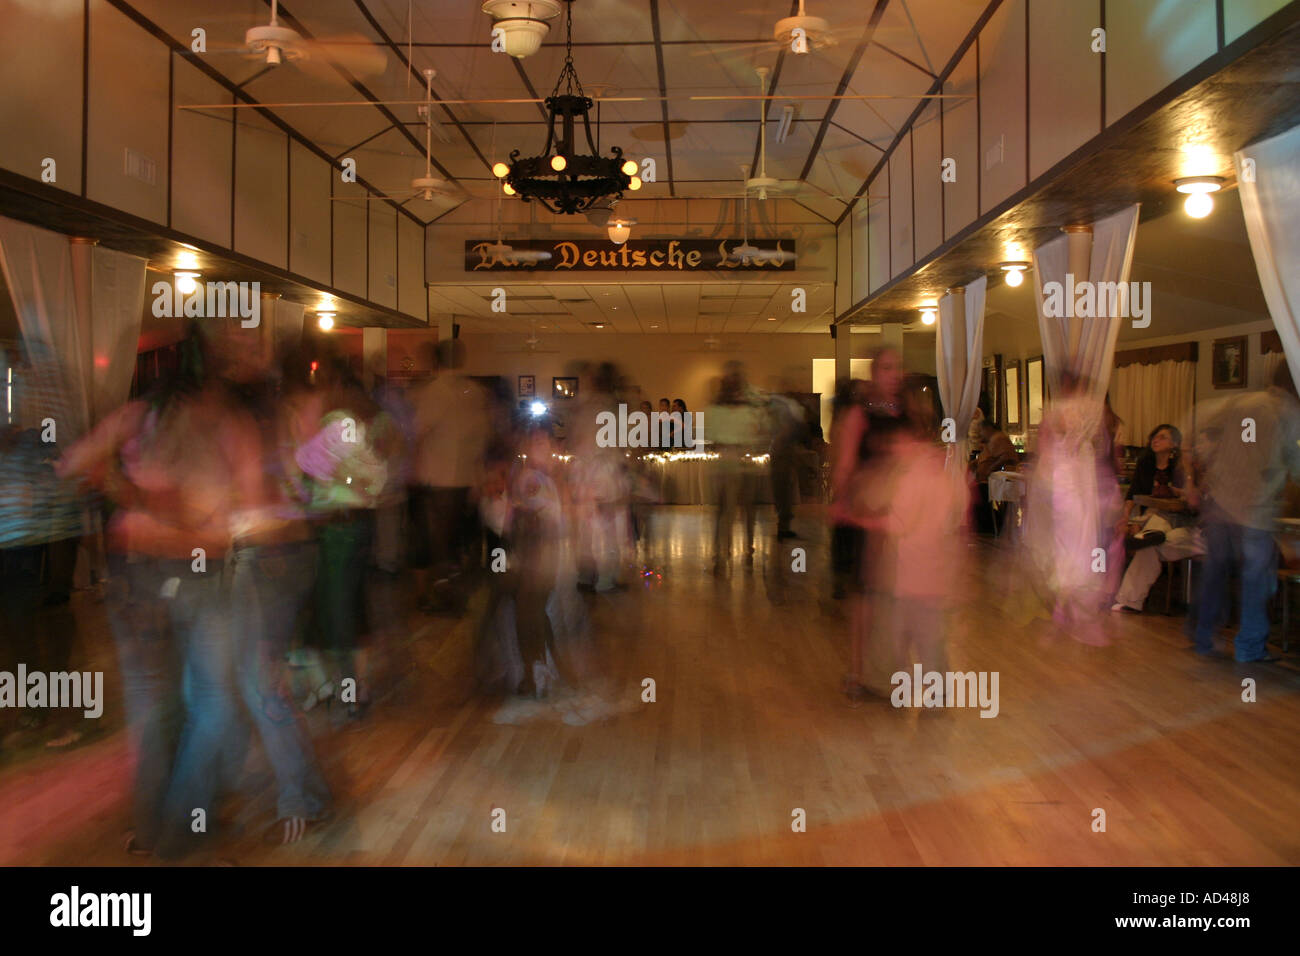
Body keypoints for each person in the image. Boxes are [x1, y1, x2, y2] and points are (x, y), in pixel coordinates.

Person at [1191, 363, 1300, 661]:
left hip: (1221, 503)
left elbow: (1200, 421)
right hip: (1255, 510)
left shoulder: (1243, 402)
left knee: (1215, 571)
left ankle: (1202, 635)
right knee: (1257, 580)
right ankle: (1249, 647)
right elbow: (1296, 462)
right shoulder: (1290, 413)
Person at [831, 346, 905, 704]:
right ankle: (859, 672)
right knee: (865, 599)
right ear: (875, 373)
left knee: (891, 597)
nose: (894, 374)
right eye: (887, 368)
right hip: (864, 521)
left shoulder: (902, 414)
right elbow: (844, 467)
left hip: (896, 521)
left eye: (897, 368)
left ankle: (887, 672)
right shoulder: (859, 416)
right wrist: (849, 500)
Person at [409, 340, 490, 615]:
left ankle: (443, 599)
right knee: (456, 543)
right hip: (465, 479)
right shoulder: (474, 392)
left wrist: (413, 469)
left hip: (438, 479)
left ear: (436, 361)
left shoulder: (436, 391)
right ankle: (455, 596)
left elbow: (419, 432)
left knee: (437, 544)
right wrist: (478, 479)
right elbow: (480, 440)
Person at [1110, 424, 1204, 613]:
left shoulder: (1188, 467)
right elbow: (1133, 492)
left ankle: (1130, 598)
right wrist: (1125, 517)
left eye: (1162, 437)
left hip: (1185, 519)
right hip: (1160, 514)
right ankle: (1147, 536)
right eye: (1155, 436)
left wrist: (1182, 482)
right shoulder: (1146, 462)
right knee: (1153, 530)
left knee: (1150, 540)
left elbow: (1193, 500)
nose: (1156, 440)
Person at [706, 362, 767, 575]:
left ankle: (723, 551)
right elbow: (755, 434)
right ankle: (733, 549)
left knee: (725, 510)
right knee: (736, 509)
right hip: (737, 462)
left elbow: (712, 437)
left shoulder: (717, 409)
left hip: (727, 462)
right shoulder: (745, 409)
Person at [971, 419, 1017, 533]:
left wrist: (991, 469)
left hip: (994, 480)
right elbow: (985, 458)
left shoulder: (999, 439)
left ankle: (990, 525)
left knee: (978, 494)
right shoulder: (990, 441)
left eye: (981, 431)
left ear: (988, 429)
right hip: (984, 479)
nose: (980, 434)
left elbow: (1006, 456)